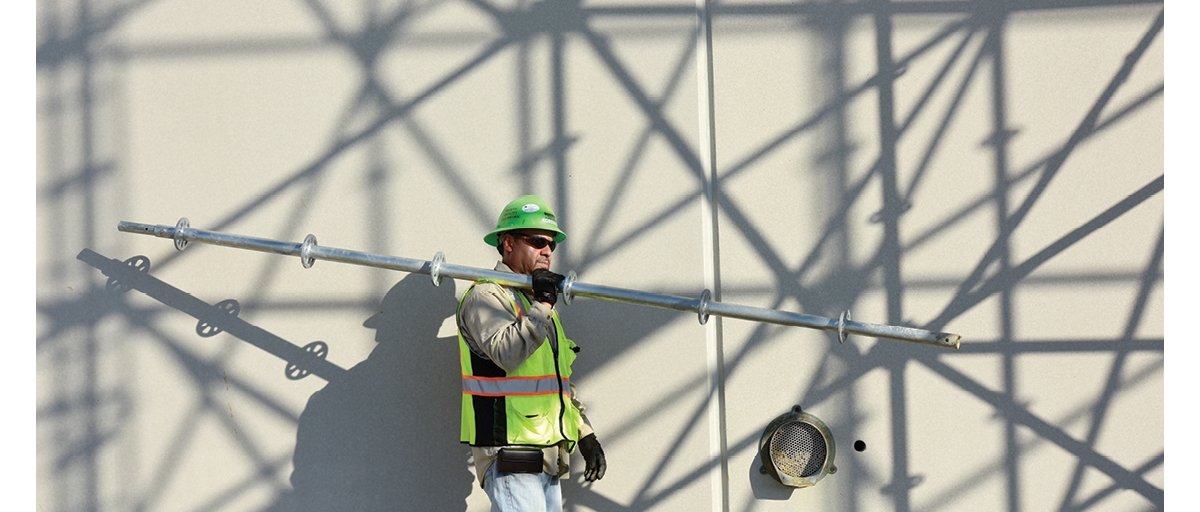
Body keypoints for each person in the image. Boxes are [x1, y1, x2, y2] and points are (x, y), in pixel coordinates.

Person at [456, 194, 606, 512]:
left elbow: (558, 384)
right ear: (508, 243)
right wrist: (544, 304)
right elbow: (506, 353)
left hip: (547, 455)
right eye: (537, 241)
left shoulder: (537, 304)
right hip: (511, 453)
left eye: (551, 244)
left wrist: (585, 433)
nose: (547, 251)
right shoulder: (487, 295)